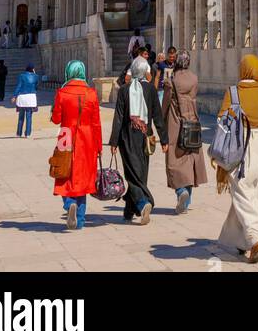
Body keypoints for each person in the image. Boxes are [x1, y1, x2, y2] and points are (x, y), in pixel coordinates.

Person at [214, 54, 258, 264]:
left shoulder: (233, 92)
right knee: (256, 193)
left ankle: (253, 238)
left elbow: (222, 119)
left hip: (241, 147)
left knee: (242, 191)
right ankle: (240, 241)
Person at [110, 56, 167, 224]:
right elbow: (157, 116)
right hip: (145, 138)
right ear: (145, 71)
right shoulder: (150, 90)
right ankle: (129, 211)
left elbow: (119, 118)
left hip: (127, 138)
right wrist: (164, 139)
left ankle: (143, 203)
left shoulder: (124, 90)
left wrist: (114, 142)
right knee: (139, 173)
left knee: (132, 175)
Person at [50, 60, 103, 229]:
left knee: (64, 170)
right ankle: (79, 219)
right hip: (87, 137)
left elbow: (57, 119)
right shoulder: (92, 94)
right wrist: (99, 146)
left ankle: (68, 202)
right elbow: (96, 123)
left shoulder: (62, 93)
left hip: (66, 134)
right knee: (83, 176)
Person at [161, 51, 207, 214]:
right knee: (189, 162)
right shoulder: (194, 78)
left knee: (175, 161)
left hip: (176, 123)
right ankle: (186, 204)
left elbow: (165, 105)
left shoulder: (171, 81)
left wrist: (160, 121)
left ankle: (181, 192)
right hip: (192, 121)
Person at [12, 64, 39, 137]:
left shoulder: (21, 76)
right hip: (31, 97)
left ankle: (19, 133)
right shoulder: (36, 77)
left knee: (21, 116)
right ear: (33, 69)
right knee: (29, 116)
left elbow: (19, 86)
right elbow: (36, 87)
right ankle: (27, 133)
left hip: (22, 97)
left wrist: (14, 96)